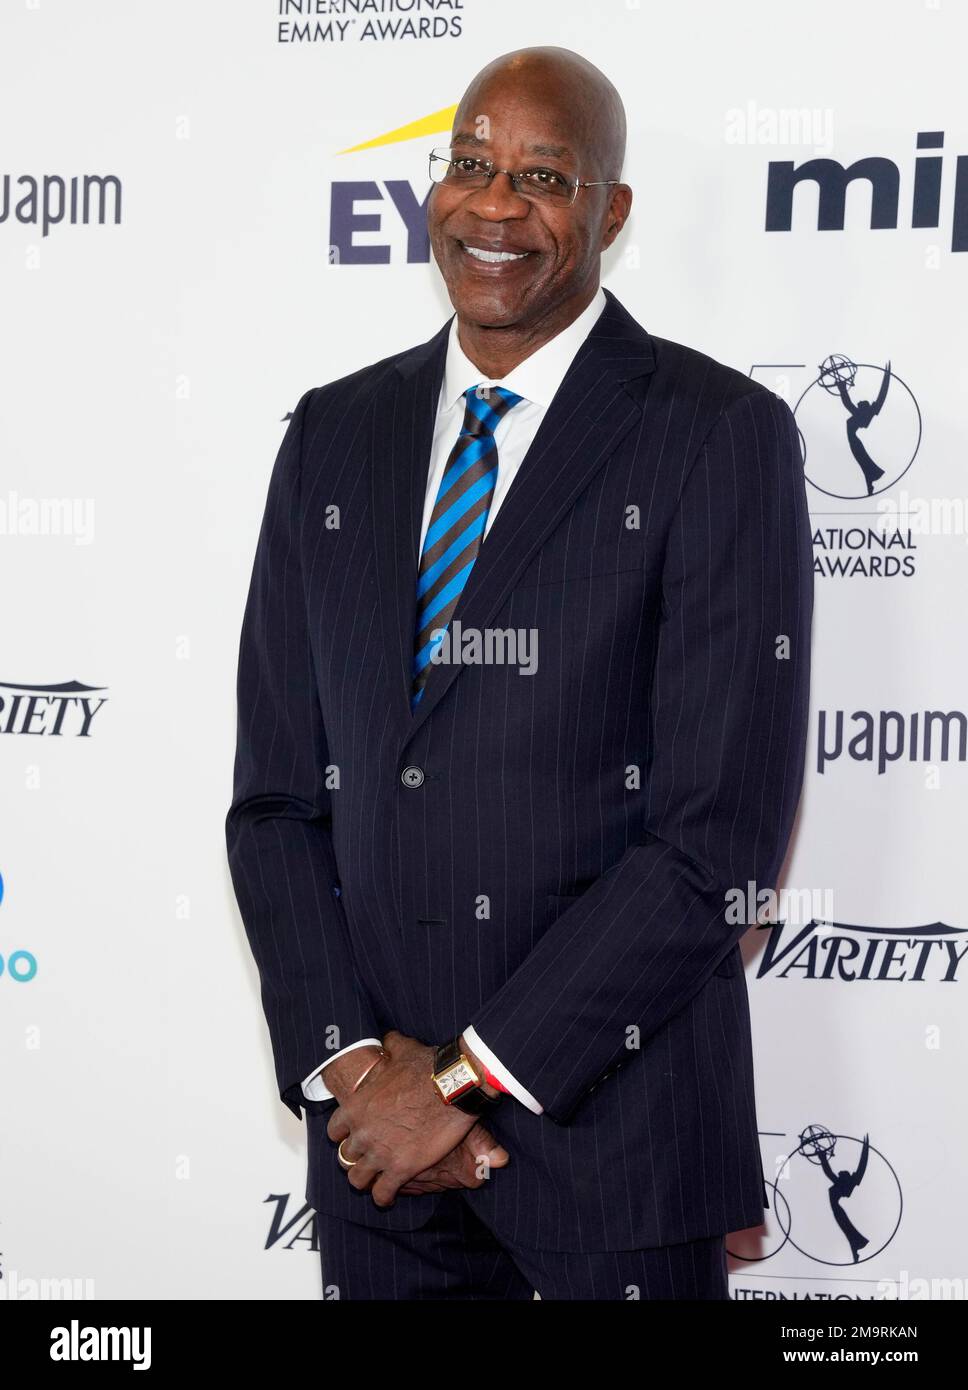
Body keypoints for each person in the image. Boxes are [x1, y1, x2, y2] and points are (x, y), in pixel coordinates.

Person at [225, 45, 813, 1301]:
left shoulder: (715, 436)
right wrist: (357, 1079)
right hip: (376, 1166)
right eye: (470, 165)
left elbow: (716, 841)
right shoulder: (333, 434)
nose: (494, 206)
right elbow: (276, 800)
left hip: (620, 1155)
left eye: (542, 177)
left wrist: (453, 1084)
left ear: (610, 212)